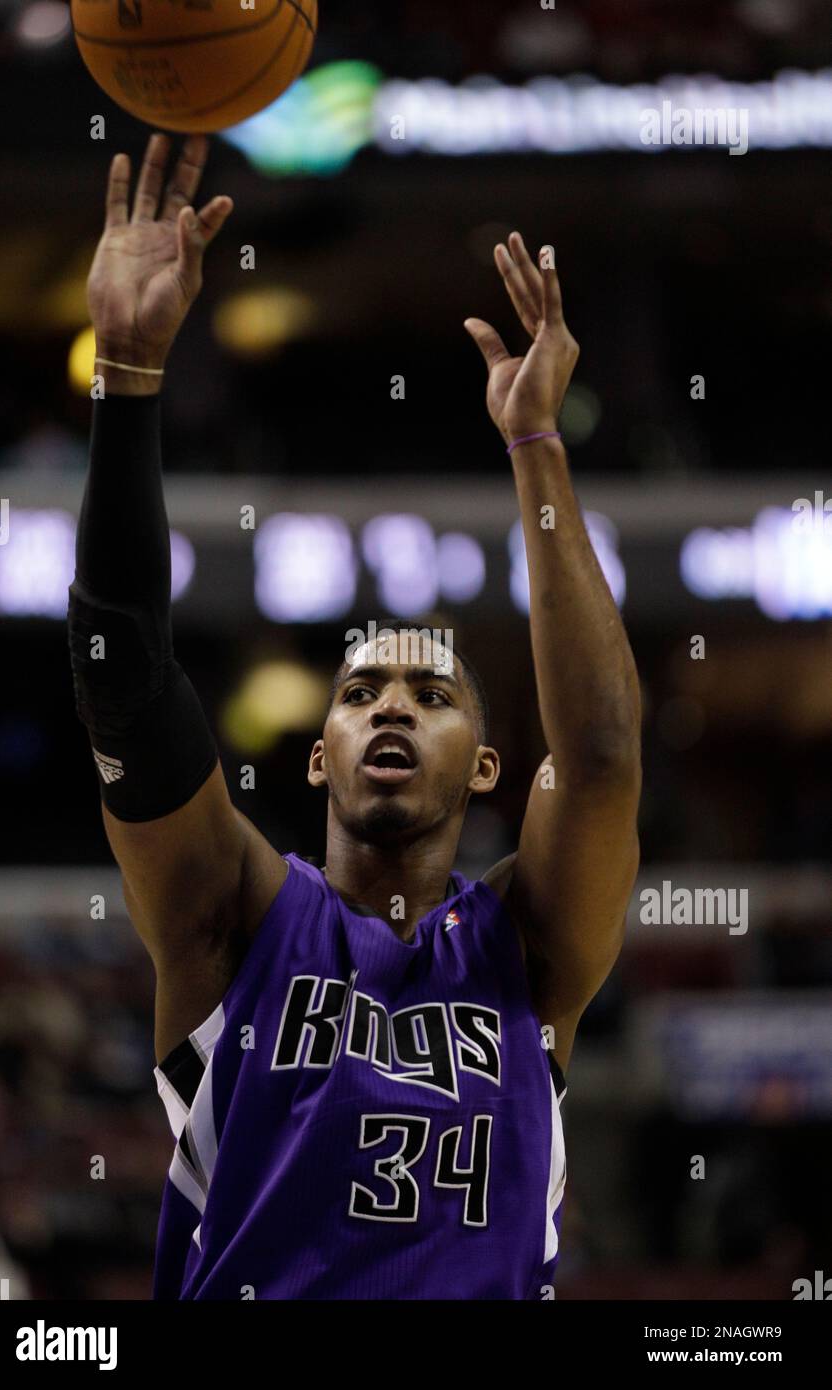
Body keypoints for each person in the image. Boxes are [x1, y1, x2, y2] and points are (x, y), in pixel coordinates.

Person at [68, 132, 642, 1300]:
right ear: (320, 758)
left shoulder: (523, 953)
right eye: (358, 691)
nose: (389, 704)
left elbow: (597, 753)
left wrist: (535, 444)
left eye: (430, 695)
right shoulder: (233, 917)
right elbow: (123, 667)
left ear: (484, 766)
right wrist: (127, 376)